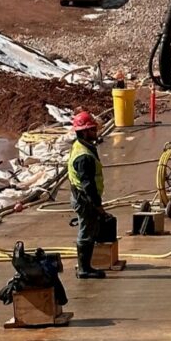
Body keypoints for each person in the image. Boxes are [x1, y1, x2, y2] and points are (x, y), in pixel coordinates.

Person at [67, 111, 107, 280]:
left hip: (82, 197)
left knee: (89, 229)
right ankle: (84, 268)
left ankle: (86, 265)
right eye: (91, 129)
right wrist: (98, 205)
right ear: (84, 132)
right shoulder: (84, 156)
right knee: (86, 231)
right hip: (85, 199)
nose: (95, 132)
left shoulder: (81, 146)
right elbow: (88, 184)